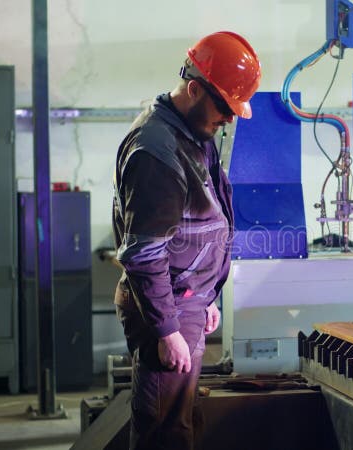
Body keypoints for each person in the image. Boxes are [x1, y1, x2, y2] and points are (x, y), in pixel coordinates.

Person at [112, 31, 261, 450]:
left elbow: (199, 221)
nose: (230, 118)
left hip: (184, 301)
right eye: (224, 107)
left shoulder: (195, 134)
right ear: (194, 89)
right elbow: (144, 252)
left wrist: (207, 296)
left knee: (178, 419)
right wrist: (167, 327)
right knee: (164, 429)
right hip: (167, 306)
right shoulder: (157, 150)